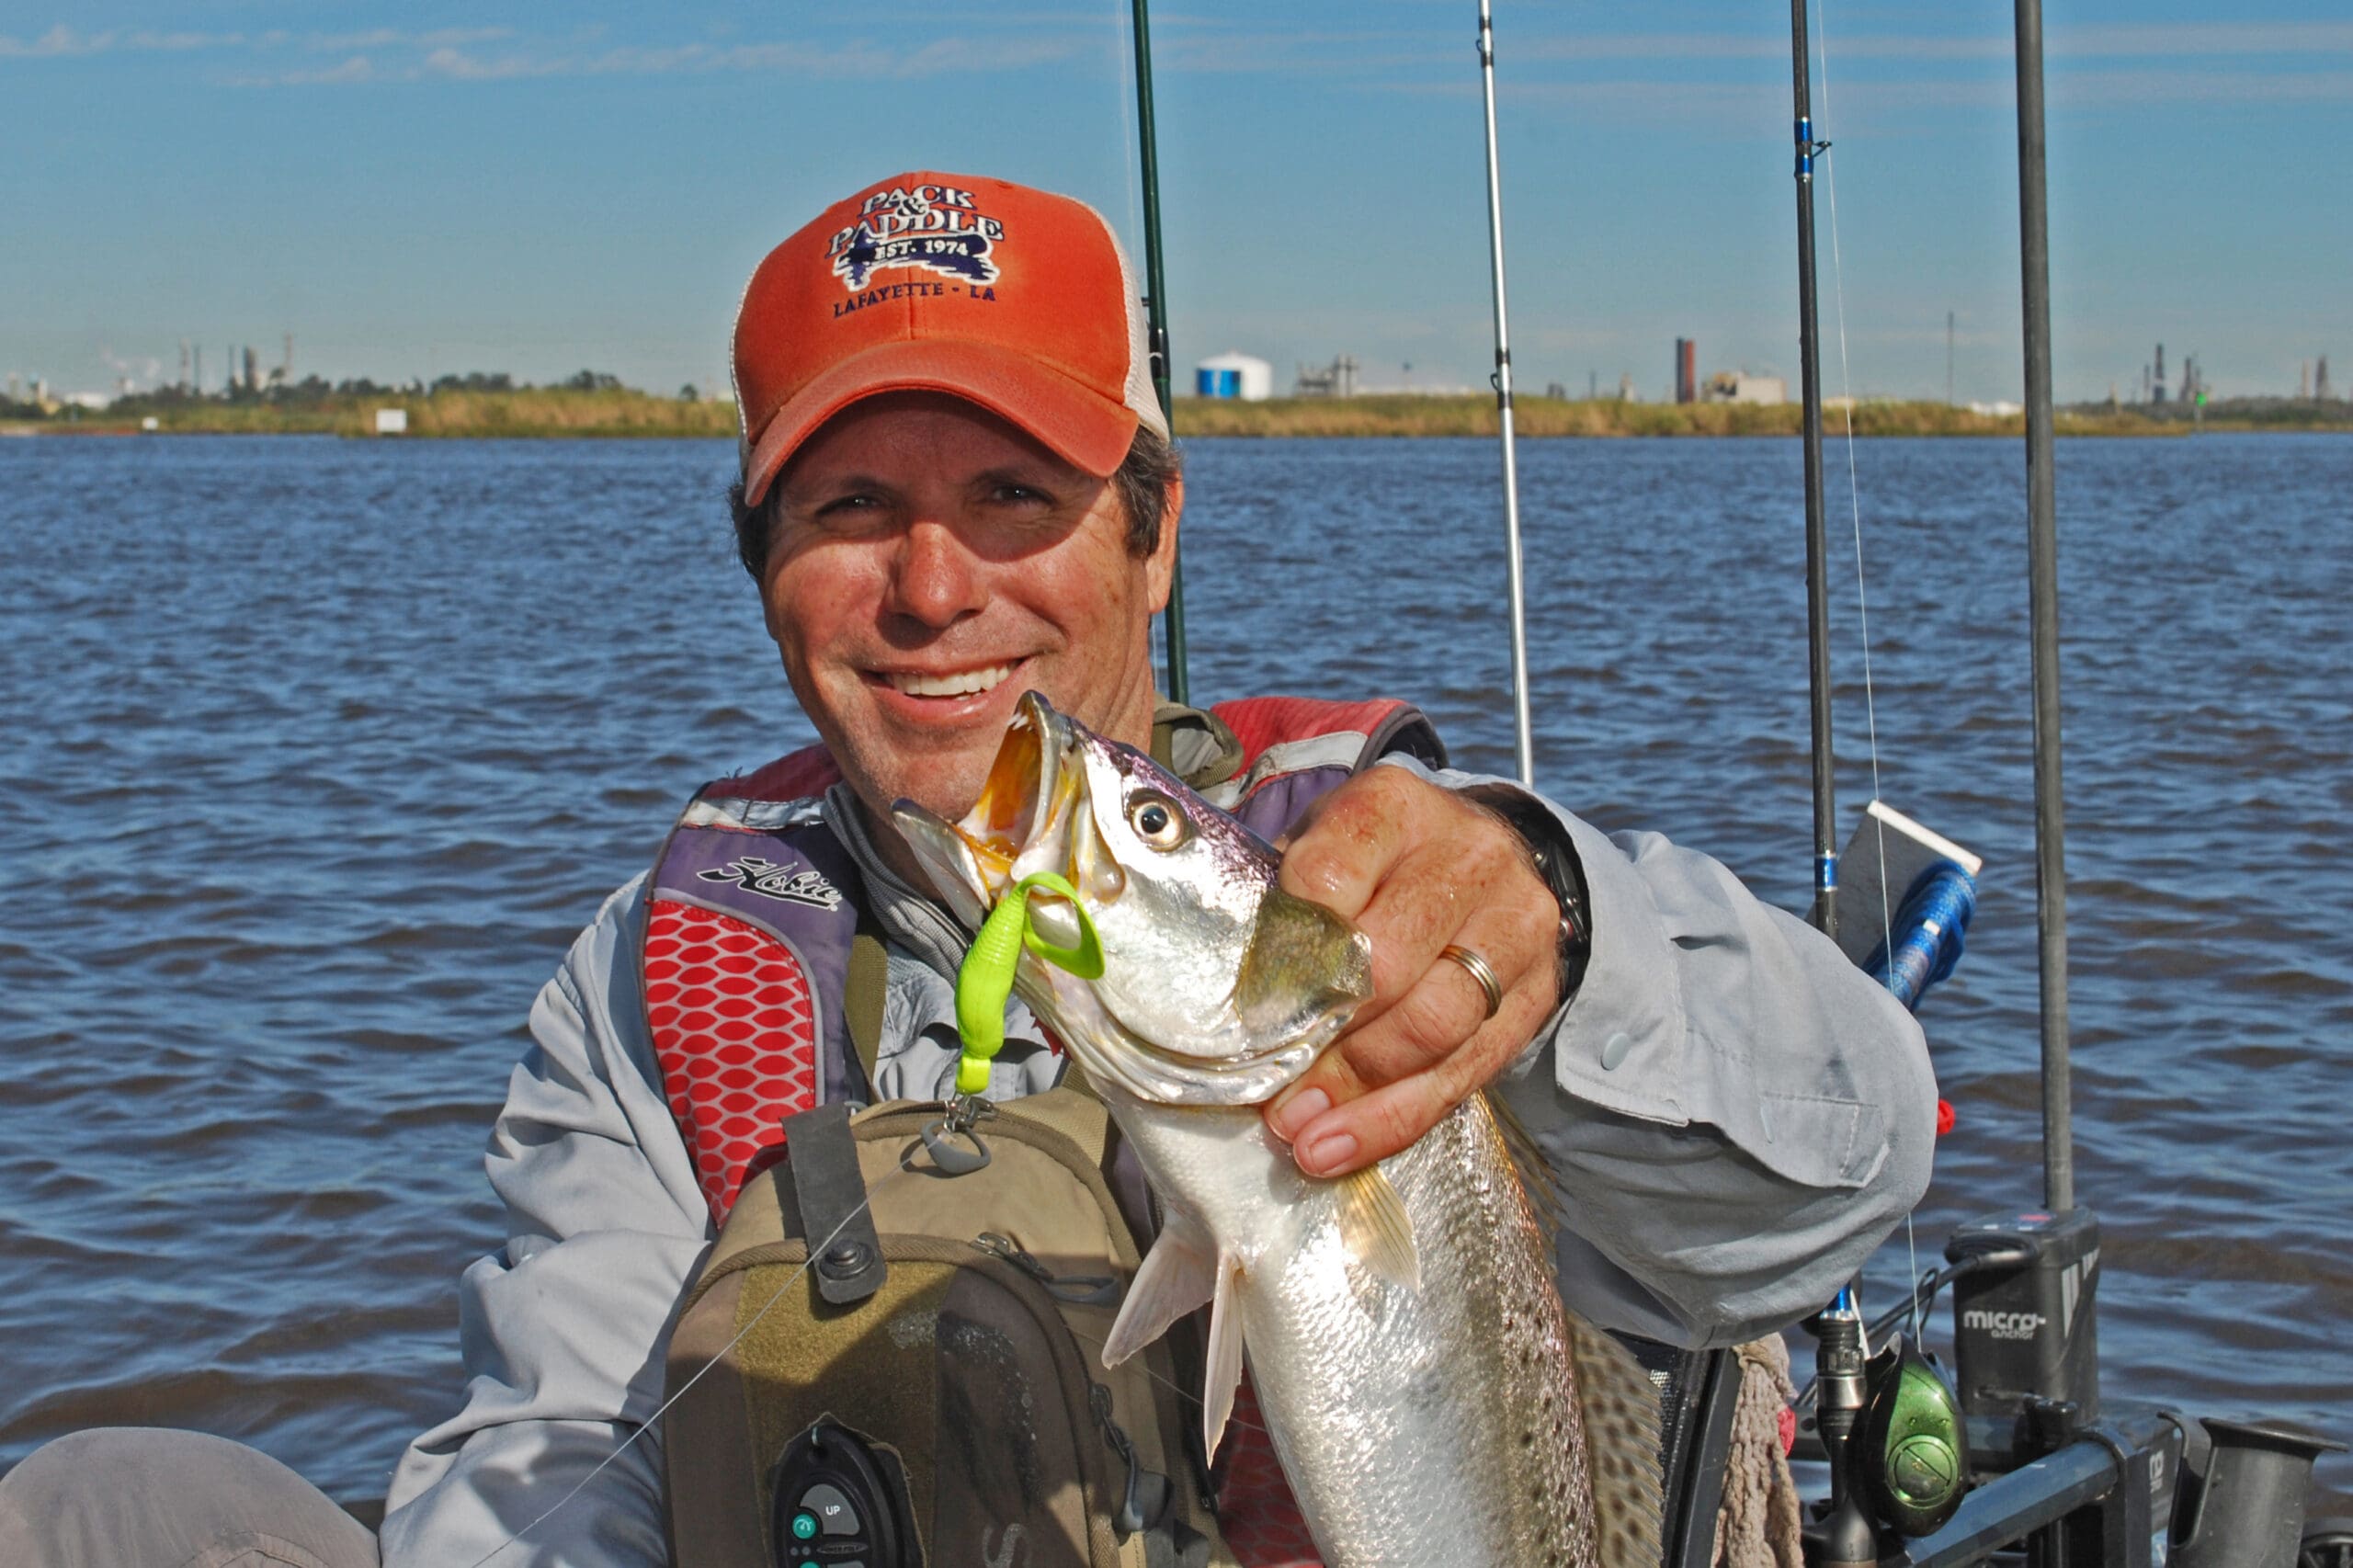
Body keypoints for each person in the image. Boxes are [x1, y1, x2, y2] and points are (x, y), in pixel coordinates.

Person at [0, 171, 1936, 1568]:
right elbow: (561, 1454)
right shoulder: (683, 958)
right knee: (104, 1510)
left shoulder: (1388, 886)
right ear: (764, 568)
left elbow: (1845, 1164)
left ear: (1152, 539)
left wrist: (1566, 929)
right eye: (852, 506)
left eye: (1014, 496)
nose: (934, 591)